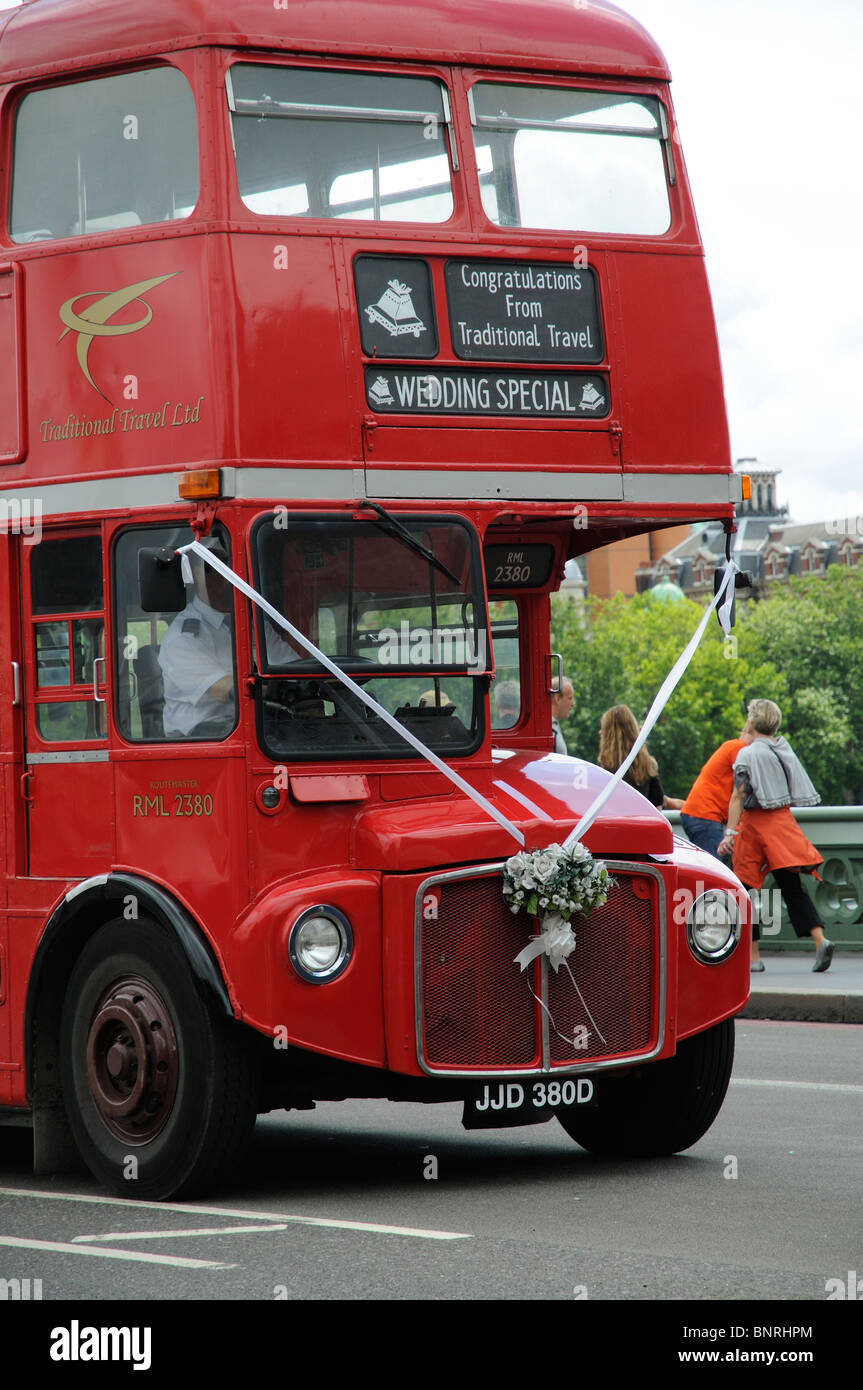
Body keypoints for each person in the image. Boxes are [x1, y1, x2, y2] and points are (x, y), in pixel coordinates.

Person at [716, 699, 832, 973]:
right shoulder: (782, 748)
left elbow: (739, 795)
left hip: (754, 826)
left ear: (753, 721)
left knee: (745, 889)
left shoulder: (747, 754)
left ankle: (754, 957)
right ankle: (820, 940)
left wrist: (729, 832)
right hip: (782, 823)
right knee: (792, 888)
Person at [158, 548, 237, 738]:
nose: (229, 573)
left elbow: (289, 662)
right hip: (201, 741)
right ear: (198, 574)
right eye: (216, 566)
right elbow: (223, 690)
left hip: (247, 728)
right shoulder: (181, 637)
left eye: (231, 565)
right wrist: (274, 687)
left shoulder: (252, 625)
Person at [681, 724, 754, 860]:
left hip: (698, 816)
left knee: (703, 867)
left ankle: (700, 883)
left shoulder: (731, 746)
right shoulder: (738, 748)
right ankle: (701, 883)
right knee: (710, 869)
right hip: (705, 816)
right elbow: (744, 788)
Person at [597, 704, 683, 810]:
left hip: (613, 823)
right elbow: (657, 803)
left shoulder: (601, 771)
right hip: (641, 822)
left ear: (607, 734)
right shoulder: (647, 765)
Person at [551, 676, 574, 753]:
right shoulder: (548, 730)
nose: (573, 704)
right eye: (570, 698)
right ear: (557, 698)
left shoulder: (554, 725)